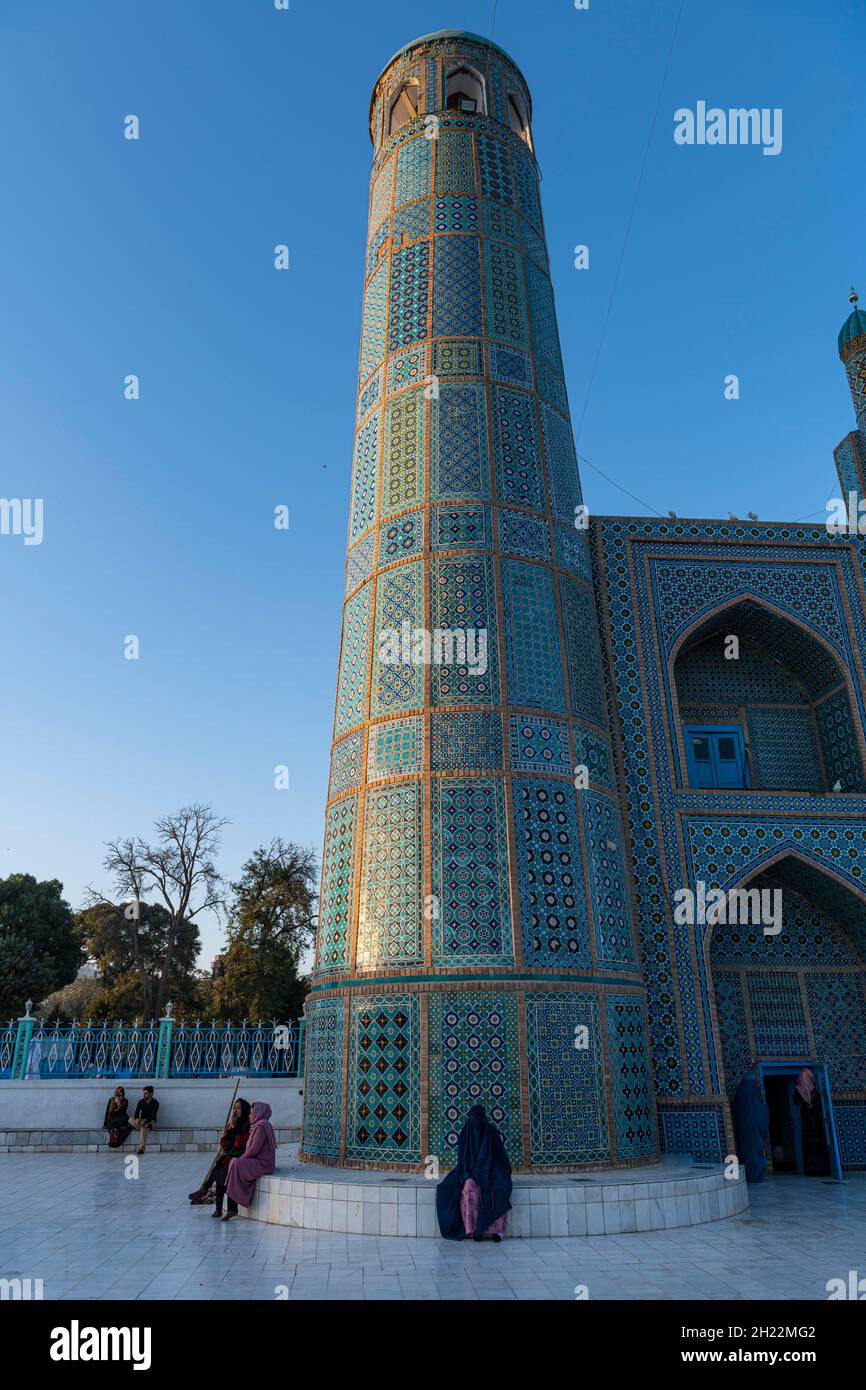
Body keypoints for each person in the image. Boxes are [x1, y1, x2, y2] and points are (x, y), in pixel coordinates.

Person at [436, 1104, 512, 1241]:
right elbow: (462, 1162)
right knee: (469, 1186)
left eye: (479, 1119)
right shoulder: (466, 1134)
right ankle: (473, 1231)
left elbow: (500, 1159)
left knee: (499, 1188)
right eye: (474, 1119)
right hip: (470, 1172)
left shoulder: (492, 1133)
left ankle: (496, 1232)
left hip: (492, 1171)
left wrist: (487, 1171)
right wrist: (468, 1174)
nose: (477, 1123)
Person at [220, 1101, 277, 1222]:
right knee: (232, 1163)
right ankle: (232, 1206)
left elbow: (254, 1149)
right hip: (257, 1161)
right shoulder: (258, 1125)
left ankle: (235, 1203)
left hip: (263, 1164)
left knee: (235, 1163)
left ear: (259, 1113)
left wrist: (241, 1159)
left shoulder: (261, 1126)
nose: (249, 1116)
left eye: (252, 1113)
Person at [188, 1098, 252, 1206]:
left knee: (221, 1165)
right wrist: (230, 1128)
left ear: (244, 1110)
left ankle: (205, 1189)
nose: (235, 1111)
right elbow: (225, 1143)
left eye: (239, 1108)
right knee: (218, 1166)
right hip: (231, 1153)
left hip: (242, 1155)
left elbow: (240, 1144)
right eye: (234, 1108)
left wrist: (235, 1126)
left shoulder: (248, 1125)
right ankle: (207, 1192)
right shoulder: (233, 1123)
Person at [731, 1072, 770, 1182]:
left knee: (747, 1154)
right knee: (754, 1155)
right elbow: (761, 1117)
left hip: (743, 1134)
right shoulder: (753, 1096)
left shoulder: (740, 1093)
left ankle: (749, 1175)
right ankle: (755, 1176)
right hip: (754, 1134)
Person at [793, 1067, 830, 1176]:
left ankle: (814, 1170)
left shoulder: (806, 1091)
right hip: (816, 1125)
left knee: (814, 1147)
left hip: (810, 1126)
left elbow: (795, 1101)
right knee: (815, 1147)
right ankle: (818, 1170)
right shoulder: (814, 1091)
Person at [131, 1086, 160, 1154]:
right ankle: (142, 1125)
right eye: (143, 1093)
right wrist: (137, 1118)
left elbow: (152, 1116)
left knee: (144, 1126)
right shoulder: (141, 1101)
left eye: (146, 1093)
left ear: (151, 1094)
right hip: (141, 1121)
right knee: (130, 1119)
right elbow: (136, 1112)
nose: (144, 1095)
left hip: (151, 1121)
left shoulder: (156, 1103)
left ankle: (142, 1148)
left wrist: (146, 1121)